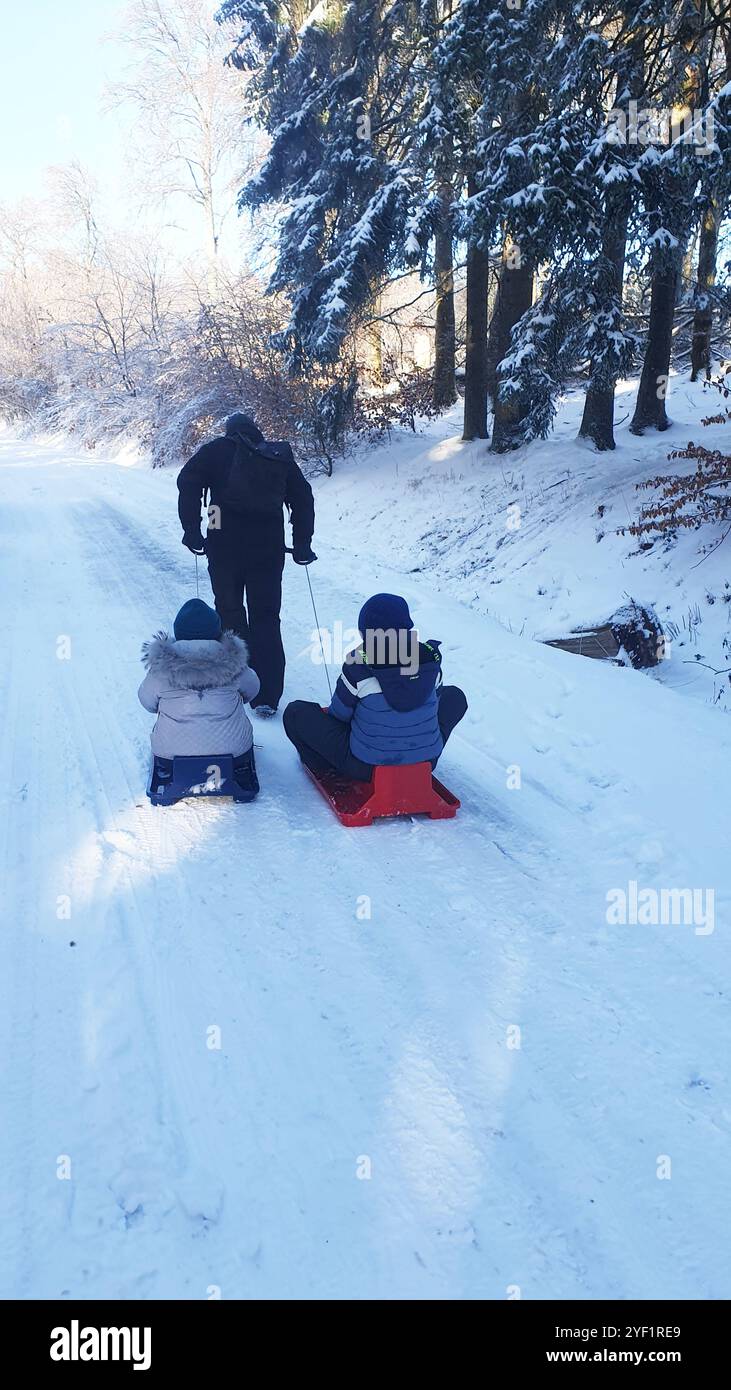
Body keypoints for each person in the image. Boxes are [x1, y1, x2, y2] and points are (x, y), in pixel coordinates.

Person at [176, 412, 316, 717]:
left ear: (230, 432)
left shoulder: (216, 451)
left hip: (223, 546)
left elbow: (187, 481)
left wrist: (193, 530)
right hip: (268, 550)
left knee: (230, 613)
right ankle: (267, 695)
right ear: (257, 433)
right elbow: (303, 497)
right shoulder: (276, 457)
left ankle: (237, 684)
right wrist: (302, 542)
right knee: (267, 617)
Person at [283, 593, 467, 780]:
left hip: (366, 767)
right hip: (428, 761)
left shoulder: (358, 663)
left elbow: (339, 716)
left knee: (296, 712)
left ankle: (323, 763)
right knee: (454, 696)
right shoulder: (430, 660)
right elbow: (433, 705)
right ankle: (417, 750)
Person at [138, 598, 261, 800]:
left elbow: (147, 702)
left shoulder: (161, 668)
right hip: (233, 750)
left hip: (171, 752)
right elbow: (253, 689)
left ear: (178, 633)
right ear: (217, 631)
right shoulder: (233, 661)